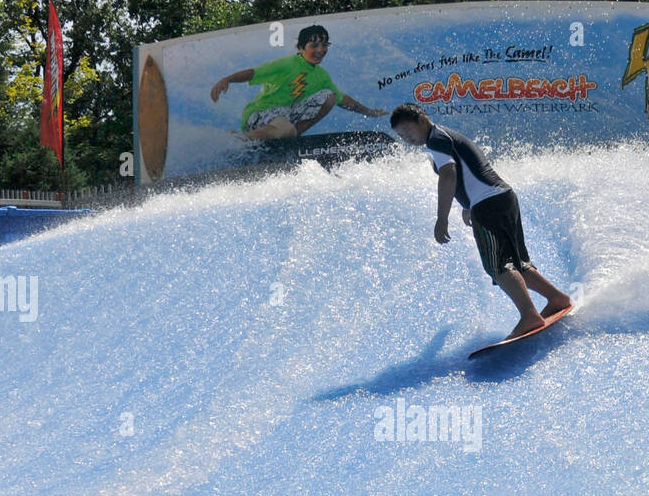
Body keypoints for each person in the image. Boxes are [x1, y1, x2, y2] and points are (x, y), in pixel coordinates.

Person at [389, 103, 571, 339]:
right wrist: (467, 205)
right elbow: (470, 168)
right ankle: (557, 298)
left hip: (488, 204)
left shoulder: (436, 140)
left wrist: (441, 218)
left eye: (408, 131)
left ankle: (529, 316)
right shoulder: (446, 135)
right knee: (517, 262)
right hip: (503, 197)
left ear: (422, 119)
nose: (407, 138)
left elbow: (449, 174)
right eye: (402, 136)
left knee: (498, 266)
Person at [211, 25, 387, 140]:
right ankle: (241, 140)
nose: (320, 50)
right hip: (260, 113)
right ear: (300, 48)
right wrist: (228, 79)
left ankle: (292, 134)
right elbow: (253, 73)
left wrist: (369, 112)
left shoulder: (321, 75)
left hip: (287, 114)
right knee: (285, 128)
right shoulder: (287, 64)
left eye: (324, 45)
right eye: (314, 45)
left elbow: (342, 99)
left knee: (330, 96)